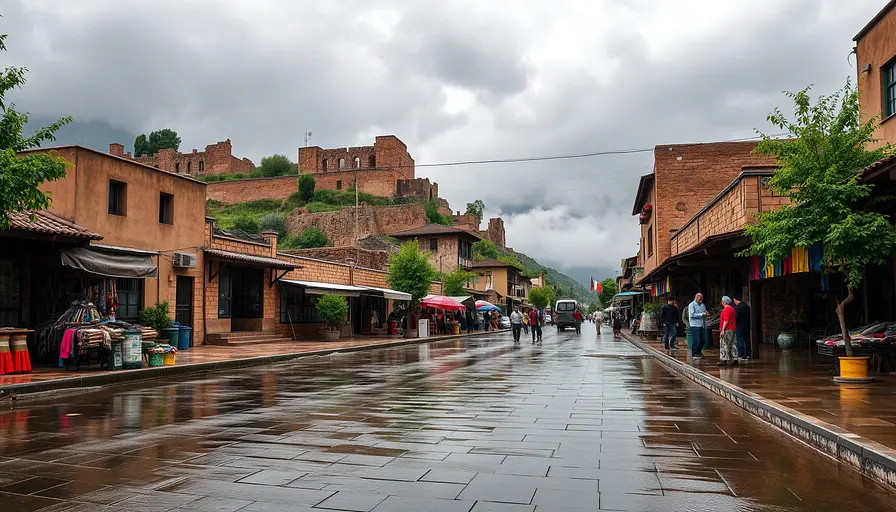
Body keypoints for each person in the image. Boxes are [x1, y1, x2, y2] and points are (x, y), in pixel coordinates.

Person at [687, 293, 710, 359]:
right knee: (696, 339)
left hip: (702, 324)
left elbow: (705, 311)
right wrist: (702, 314)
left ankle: (698, 351)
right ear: (696, 298)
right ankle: (694, 353)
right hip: (694, 325)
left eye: (702, 298)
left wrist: (707, 313)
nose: (701, 300)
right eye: (700, 298)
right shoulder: (692, 305)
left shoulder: (703, 305)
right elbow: (692, 315)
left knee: (703, 340)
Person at [718, 296, 737, 366]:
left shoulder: (726, 310)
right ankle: (735, 359)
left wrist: (722, 330)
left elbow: (726, 320)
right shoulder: (732, 309)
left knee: (725, 344)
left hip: (727, 329)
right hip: (733, 328)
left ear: (723, 302)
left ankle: (724, 360)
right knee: (733, 344)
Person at [734, 295, 752, 360]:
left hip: (739, 326)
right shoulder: (747, 307)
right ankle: (748, 354)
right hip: (747, 325)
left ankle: (741, 354)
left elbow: (736, 317)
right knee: (747, 339)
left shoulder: (737, 307)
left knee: (740, 339)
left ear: (736, 300)